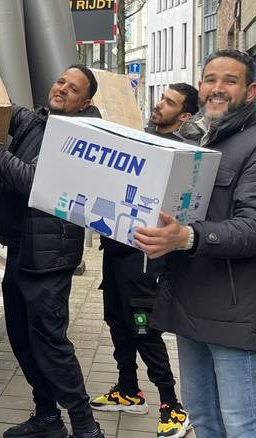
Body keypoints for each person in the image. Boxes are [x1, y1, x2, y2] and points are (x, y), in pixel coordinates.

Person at [135, 49, 256, 438]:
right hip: (188, 302)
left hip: (233, 310)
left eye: (229, 81)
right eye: (210, 79)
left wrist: (189, 236)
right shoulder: (196, 144)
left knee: (245, 425)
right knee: (204, 418)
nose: (217, 88)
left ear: (250, 91)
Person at [0, 65, 106, 438]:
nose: (61, 89)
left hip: (50, 255)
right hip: (20, 247)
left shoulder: (79, 136)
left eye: (72, 89)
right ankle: (47, 417)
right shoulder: (36, 121)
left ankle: (86, 427)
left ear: (84, 101)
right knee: (21, 338)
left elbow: (33, 181)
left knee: (50, 342)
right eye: (60, 81)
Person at [90, 83, 199, 438]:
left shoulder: (186, 152)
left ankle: (173, 406)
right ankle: (128, 390)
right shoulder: (142, 139)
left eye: (169, 102)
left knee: (144, 329)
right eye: (161, 98)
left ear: (184, 115)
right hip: (117, 249)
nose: (159, 105)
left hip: (145, 258)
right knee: (118, 322)